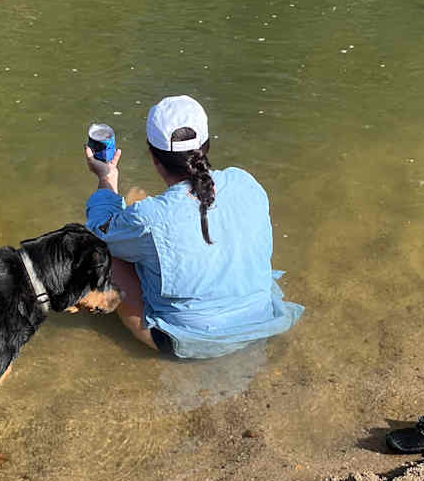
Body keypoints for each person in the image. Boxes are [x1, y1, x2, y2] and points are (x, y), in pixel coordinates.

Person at [83, 93, 303, 359]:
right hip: (260, 322)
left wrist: (107, 178)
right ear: (206, 146)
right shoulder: (245, 182)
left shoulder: (149, 216)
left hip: (188, 342)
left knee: (104, 251)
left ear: (154, 157)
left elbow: (97, 230)